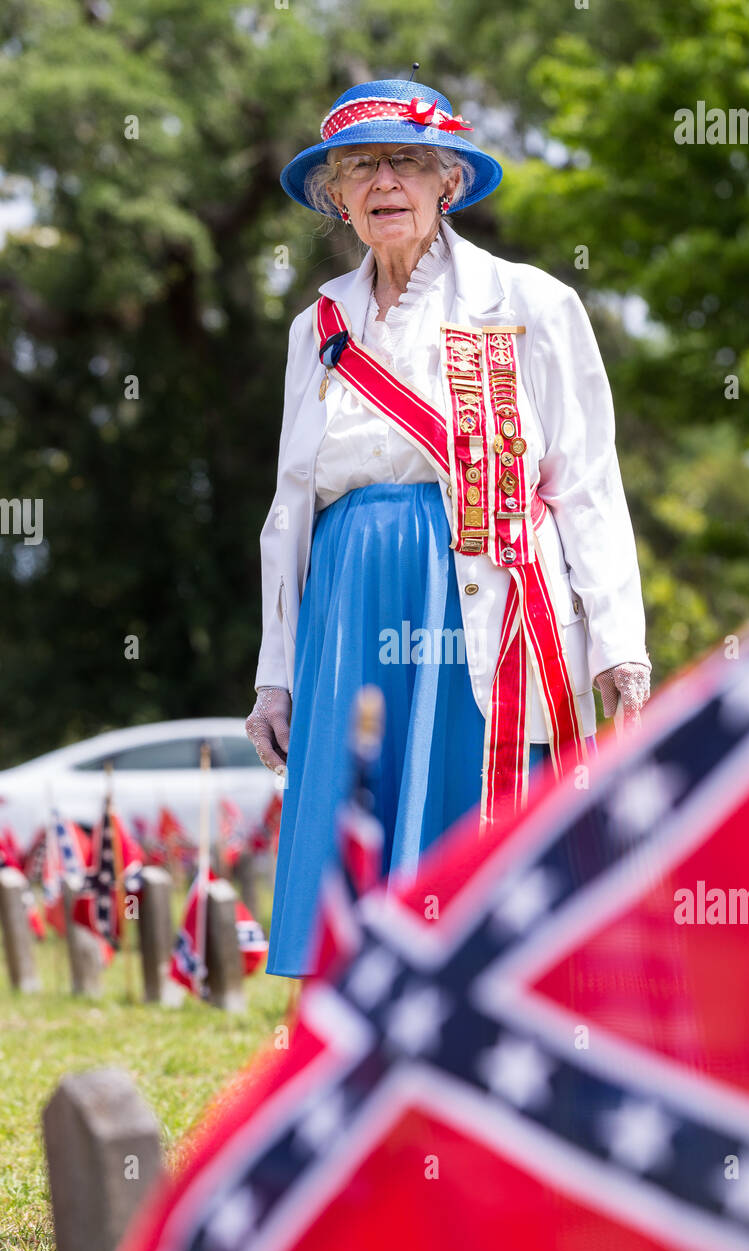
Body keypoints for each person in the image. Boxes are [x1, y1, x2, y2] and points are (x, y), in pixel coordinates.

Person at [245, 78, 651, 978]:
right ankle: (362, 1042)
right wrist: (276, 675)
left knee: (475, 809)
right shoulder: (316, 327)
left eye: (405, 162)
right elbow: (288, 510)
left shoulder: (531, 303)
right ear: (337, 199)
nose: (383, 181)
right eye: (359, 168)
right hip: (349, 596)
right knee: (360, 810)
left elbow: (585, 480)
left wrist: (618, 638)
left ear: (447, 184)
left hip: (481, 586)